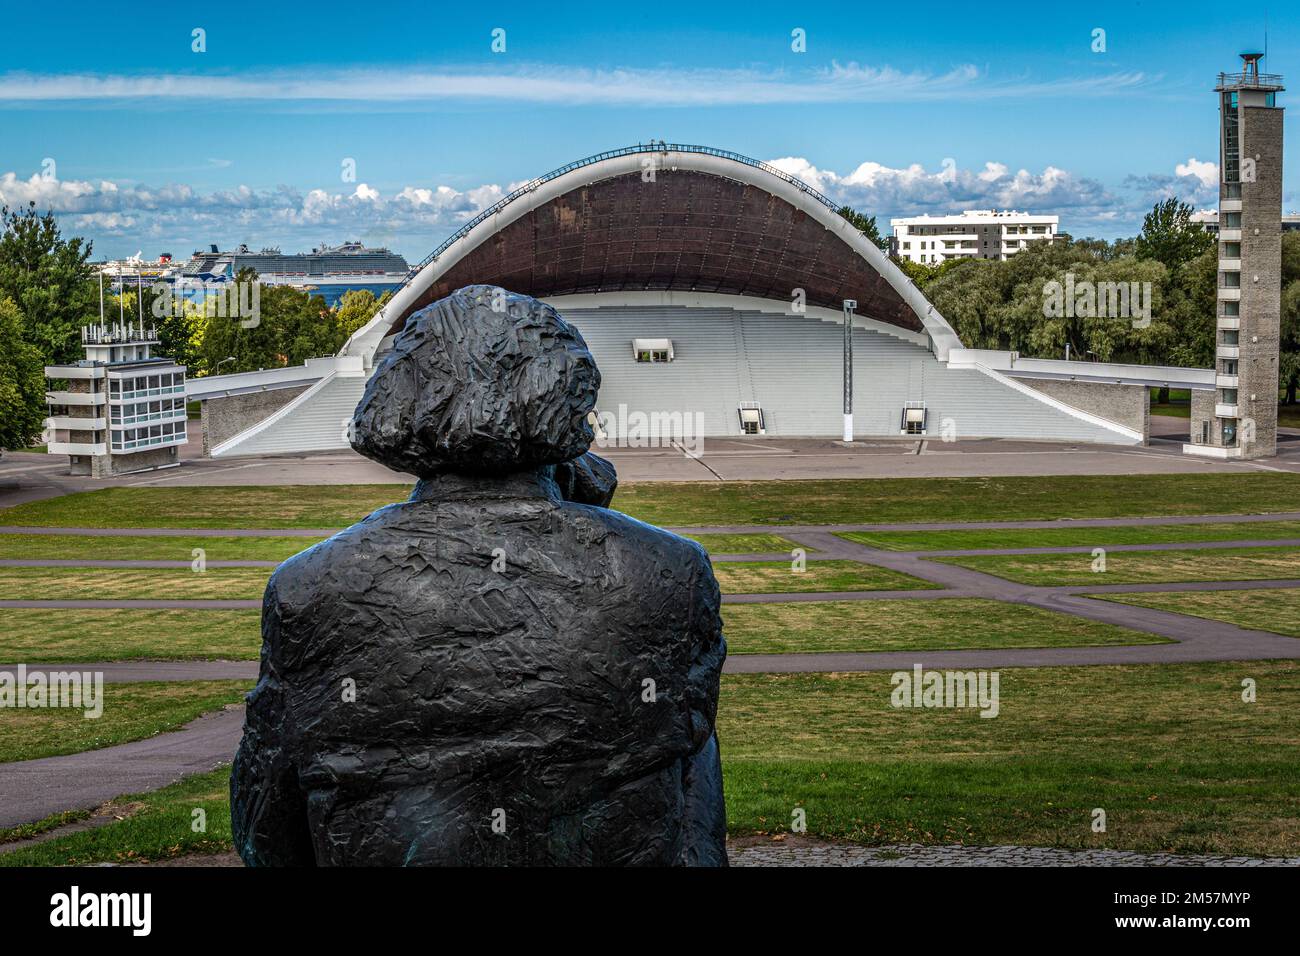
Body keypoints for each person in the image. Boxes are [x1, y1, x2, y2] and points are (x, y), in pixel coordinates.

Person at [231, 285, 727, 866]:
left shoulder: (308, 583)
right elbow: (689, 806)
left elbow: (265, 830)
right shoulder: (668, 569)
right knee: (688, 740)